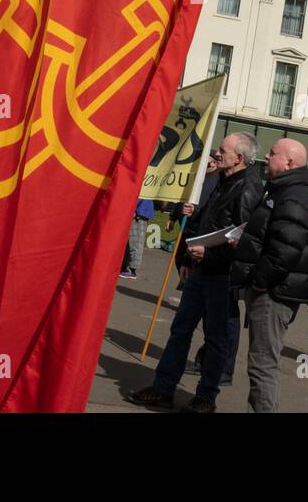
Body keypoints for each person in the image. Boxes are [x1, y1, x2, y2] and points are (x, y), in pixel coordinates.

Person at [125, 133, 263, 412]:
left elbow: (245, 241)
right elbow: (208, 223)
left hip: (221, 276)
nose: (216, 154)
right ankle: (163, 389)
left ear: (239, 158)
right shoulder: (221, 182)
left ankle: (206, 397)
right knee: (180, 330)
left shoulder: (248, 189)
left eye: (222, 151)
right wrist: (187, 257)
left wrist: (210, 254)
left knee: (215, 339)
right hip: (199, 270)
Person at [229, 138, 308, 412]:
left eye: (272, 153)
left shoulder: (293, 195)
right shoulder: (284, 191)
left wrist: (258, 281)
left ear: (290, 162)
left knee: (262, 366)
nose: (266, 157)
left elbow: (285, 251)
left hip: (273, 294)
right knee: (261, 364)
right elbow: (276, 239)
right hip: (272, 290)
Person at [120, 197, 156, 279]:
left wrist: (134, 210)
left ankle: (132, 269)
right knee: (130, 242)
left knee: (135, 242)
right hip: (139, 212)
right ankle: (125, 266)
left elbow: (142, 198)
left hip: (139, 214)